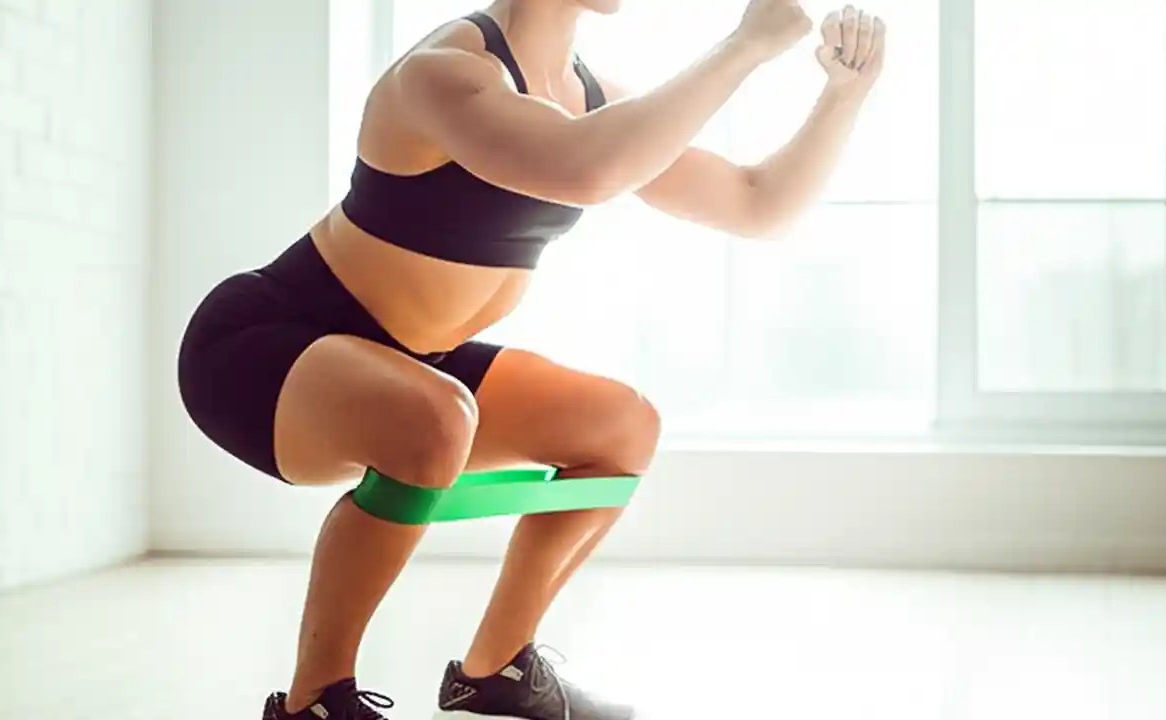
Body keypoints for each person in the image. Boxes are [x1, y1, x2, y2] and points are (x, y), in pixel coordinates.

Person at [176, 0, 886, 718]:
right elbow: (586, 169)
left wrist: (843, 96)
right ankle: (314, 702)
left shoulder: (591, 98)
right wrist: (743, 45)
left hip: (411, 362)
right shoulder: (442, 74)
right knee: (436, 418)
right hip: (260, 349)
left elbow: (758, 204)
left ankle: (498, 670)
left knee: (620, 427)